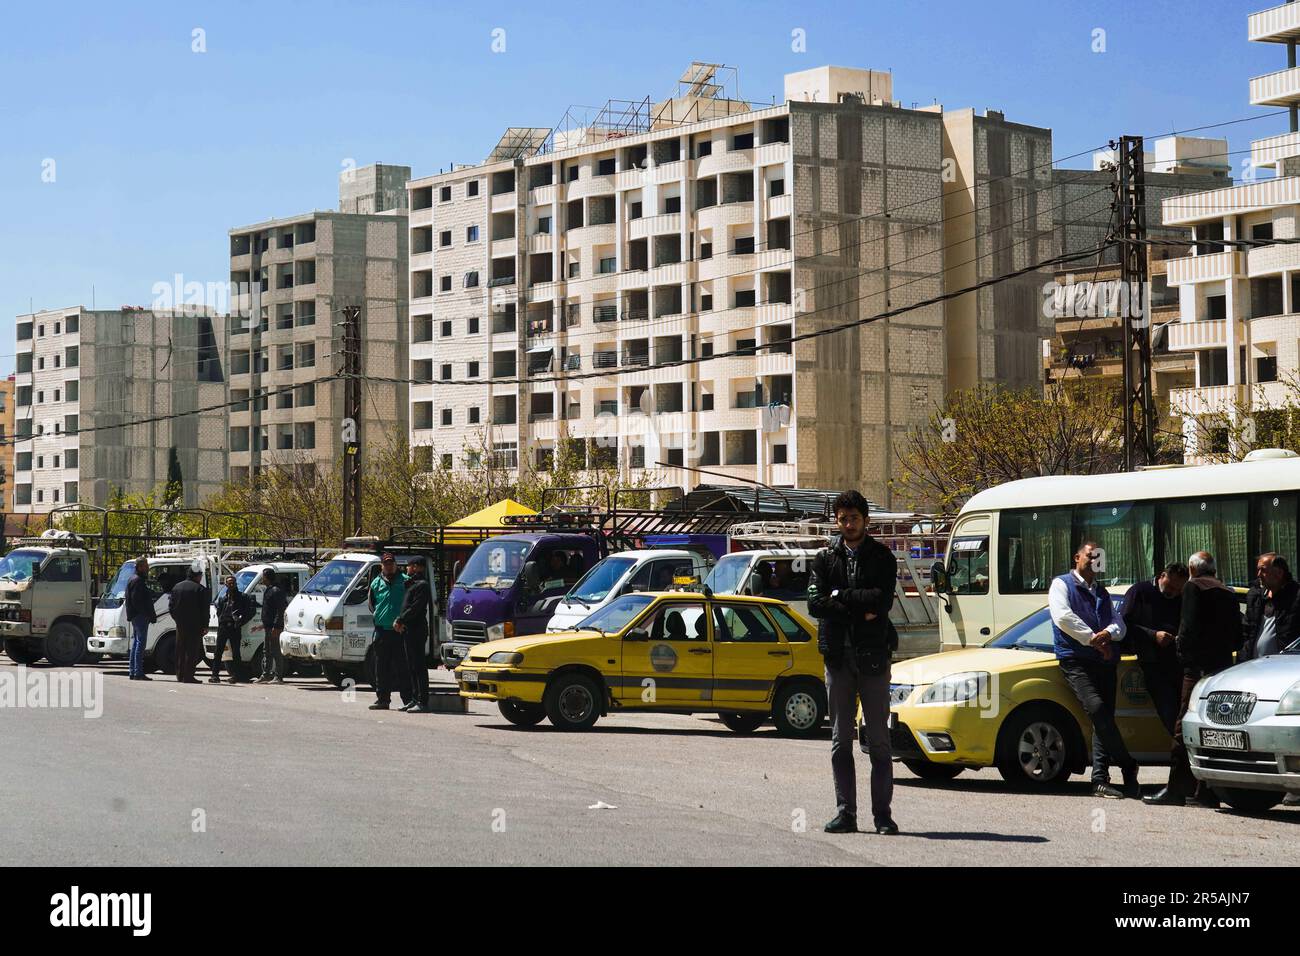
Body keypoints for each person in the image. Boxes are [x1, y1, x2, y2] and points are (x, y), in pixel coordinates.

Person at [807, 489, 900, 835]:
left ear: (866, 520)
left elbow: (882, 601)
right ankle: (846, 813)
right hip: (837, 659)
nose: (848, 524)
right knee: (839, 740)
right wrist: (861, 608)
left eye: (854, 518)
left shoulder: (882, 557)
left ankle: (882, 816)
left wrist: (840, 596)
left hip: (873, 658)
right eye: (843, 518)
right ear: (836, 520)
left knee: (879, 741)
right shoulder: (823, 559)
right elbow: (815, 603)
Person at [1145, 551, 1242, 807]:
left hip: (1196, 669)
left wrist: (1183, 658)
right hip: (1221, 669)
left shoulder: (1193, 587)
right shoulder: (1228, 592)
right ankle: (1208, 792)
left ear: (1191, 568)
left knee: (1183, 726)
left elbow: (1186, 628)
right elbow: (1237, 636)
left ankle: (1176, 790)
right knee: (1211, 727)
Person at [1049, 540, 1140, 799]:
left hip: (1104, 662)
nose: (1094, 560)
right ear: (1077, 557)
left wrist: (1107, 635)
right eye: (1090, 556)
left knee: (1104, 720)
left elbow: (1119, 625)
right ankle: (1127, 763)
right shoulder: (1061, 584)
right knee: (1097, 709)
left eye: (1098, 557)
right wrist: (1093, 638)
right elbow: (1063, 617)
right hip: (1076, 660)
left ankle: (1100, 779)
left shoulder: (1102, 591)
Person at [1120, 562, 1189, 736]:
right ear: (1162, 576)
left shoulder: (1180, 597)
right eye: (1170, 586)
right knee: (1170, 714)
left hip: (1178, 663)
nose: (1172, 592)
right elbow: (1124, 626)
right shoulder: (1140, 592)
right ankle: (1181, 756)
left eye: (1177, 590)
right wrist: (1153, 635)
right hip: (1152, 664)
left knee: (1183, 715)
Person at [368, 553, 411, 711]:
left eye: (391, 563)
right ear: (382, 566)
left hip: (400, 631)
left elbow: (411, 604)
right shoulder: (376, 583)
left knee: (403, 667)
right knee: (381, 667)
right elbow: (372, 604)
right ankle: (383, 700)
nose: (389, 566)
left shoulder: (406, 580)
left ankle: (407, 700)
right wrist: (379, 617)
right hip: (382, 631)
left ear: (395, 564)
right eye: (386, 563)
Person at [1242, 552, 1300, 661]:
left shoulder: (1295, 597)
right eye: (1258, 570)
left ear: (1279, 573)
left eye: (1263, 570)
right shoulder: (1256, 597)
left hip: (1285, 668)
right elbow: (1247, 631)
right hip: (1253, 666)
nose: (1258, 574)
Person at [393, 557, 432, 713]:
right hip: (408, 629)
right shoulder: (411, 584)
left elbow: (415, 608)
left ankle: (423, 701)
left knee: (418, 665)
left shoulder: (422, 585)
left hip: (417, 629)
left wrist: (401, 619)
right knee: (411, 666)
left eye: (409, 566)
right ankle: (414, 698)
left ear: (416, 567)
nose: (407, 569)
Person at [169, 560, 211, 684]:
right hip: (195, 625)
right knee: (191, 651)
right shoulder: (200, 589)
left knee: (180, 649)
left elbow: (171, 607)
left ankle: (180, 675)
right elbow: (205, 610)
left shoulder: (177, 587)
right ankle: (188, 676)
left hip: (180, 624)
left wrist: (177, 619)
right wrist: (205, 625)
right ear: (197, 576)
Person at [212, 574, 255, 684]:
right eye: (229, 583)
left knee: (236, 653)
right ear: (226, 585)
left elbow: (250, 612)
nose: (231, 585)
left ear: (236, 584)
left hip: (234, 627)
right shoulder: (223, 598)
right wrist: (221, 619)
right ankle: (215, 675)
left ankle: (236, 676)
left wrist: (240, 621)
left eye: (233, 583)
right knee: (218, 652)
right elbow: (219, 611)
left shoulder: (242, 597)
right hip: (223, 627)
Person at [125, 557, 156, 682]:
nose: (148, 568)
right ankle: (138, 672)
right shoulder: (137, 581)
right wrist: (148, 614)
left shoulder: (133, 579)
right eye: (146, 565)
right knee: (140, 643)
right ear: (140, 567)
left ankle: (133, 671)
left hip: (136, 616)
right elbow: (137, 601)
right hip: (140, 616)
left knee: (136, 643)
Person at [256, 568, 289, 684]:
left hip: (274, 627)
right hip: (268, 626)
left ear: (267, 577)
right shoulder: (269, 590)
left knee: (275, 651)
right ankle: (266, 674)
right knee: (267, 651)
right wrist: (263, 624)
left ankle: (278, 677)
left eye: (263, 577)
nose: (262, 579)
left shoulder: (276, 590)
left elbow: (280, 610)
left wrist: (276, 626)